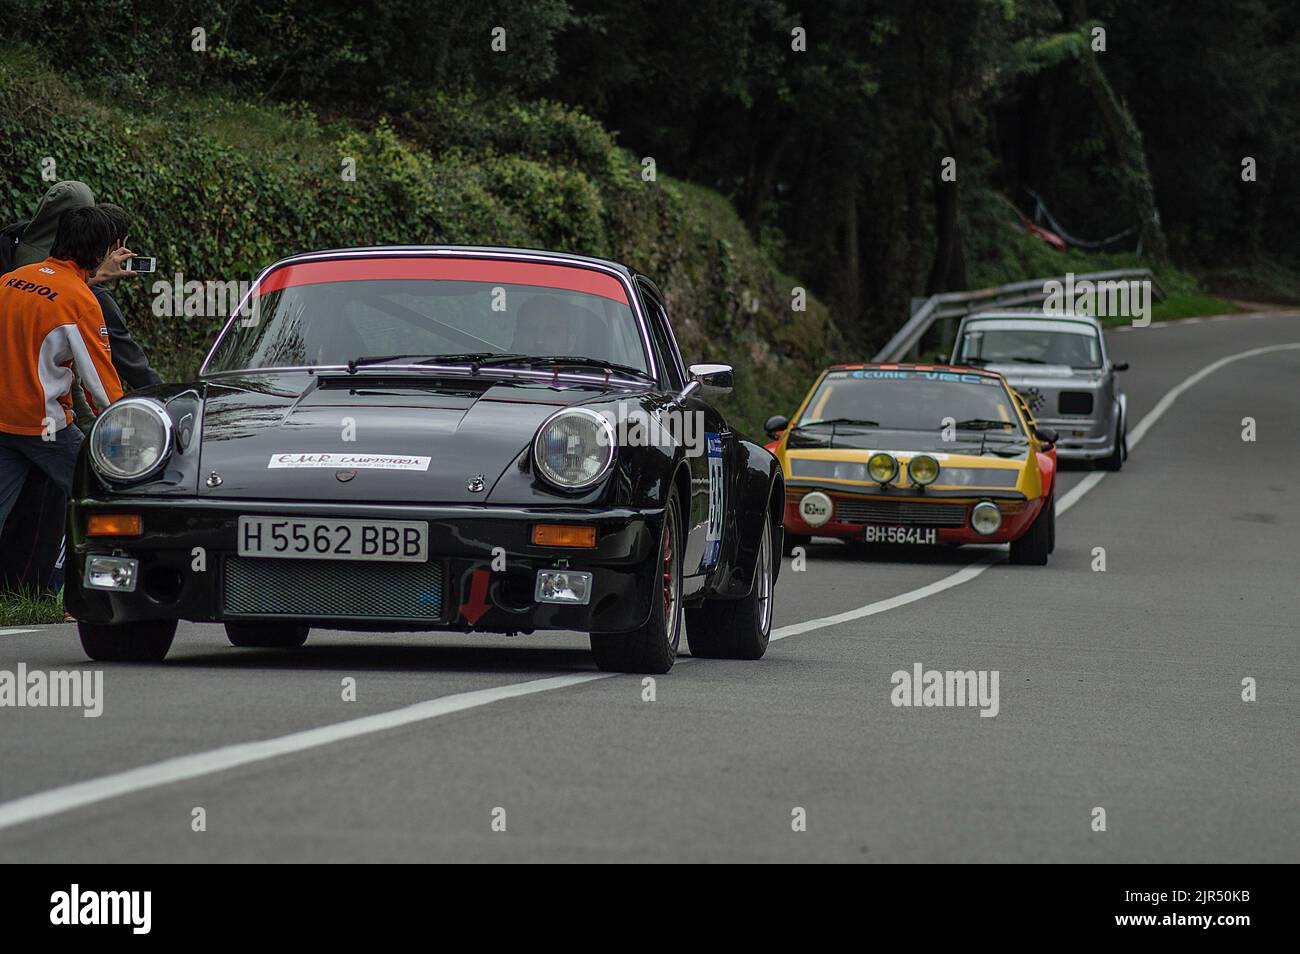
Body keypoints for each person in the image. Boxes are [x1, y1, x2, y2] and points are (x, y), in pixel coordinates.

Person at [0, 206, 124, 536]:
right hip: (44, 425)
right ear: (100, 252)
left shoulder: (11, 280)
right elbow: (100, 386)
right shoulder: (80, 301)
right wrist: (127, 428)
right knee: (104, 493)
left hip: (2, 419)